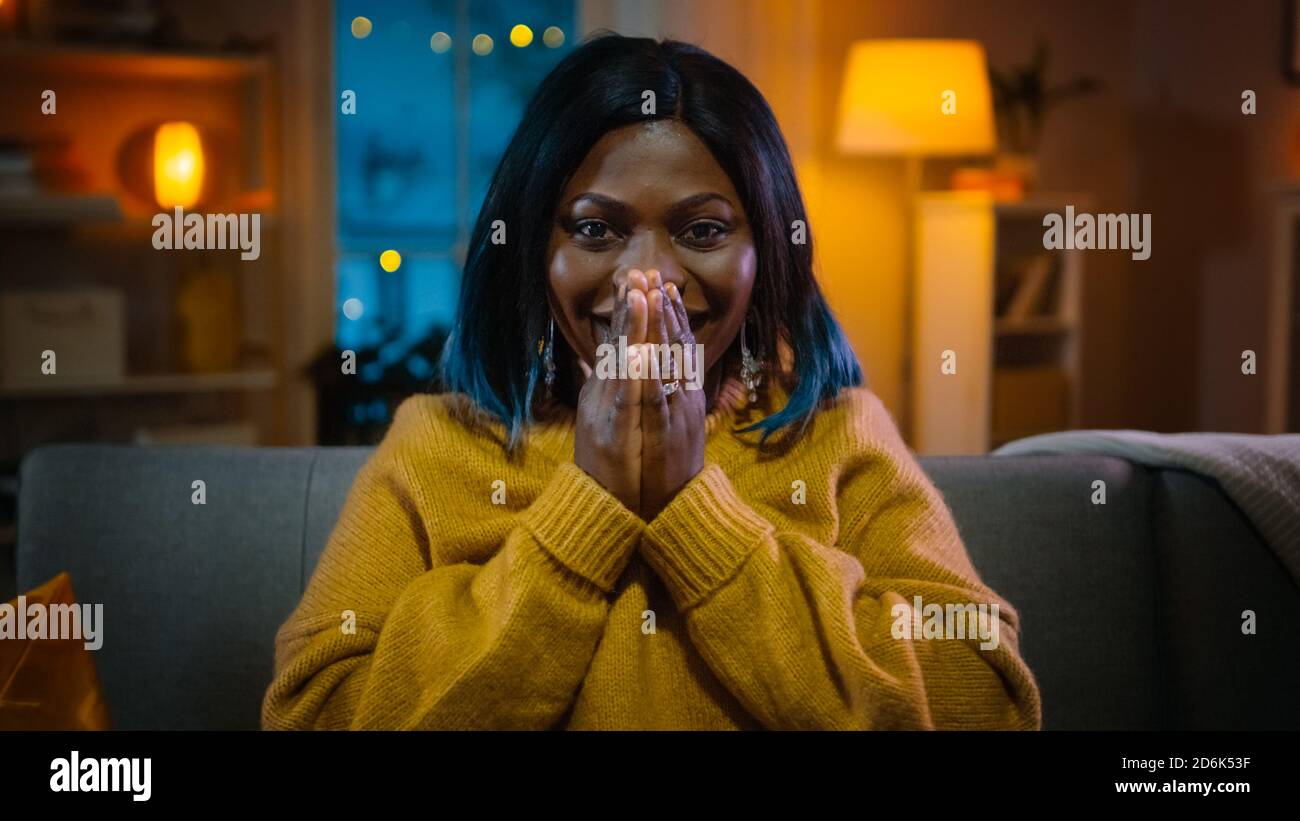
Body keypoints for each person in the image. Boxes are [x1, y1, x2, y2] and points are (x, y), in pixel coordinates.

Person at [262, 33, 1042, 730]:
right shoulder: (435, 446)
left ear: (763, 248)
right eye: (596, 229)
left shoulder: (839, 433)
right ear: (537, 247)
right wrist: (586, 513)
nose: (648, 280)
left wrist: (694, 511)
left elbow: (989, 699)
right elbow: (314, 712)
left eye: (702, 230)